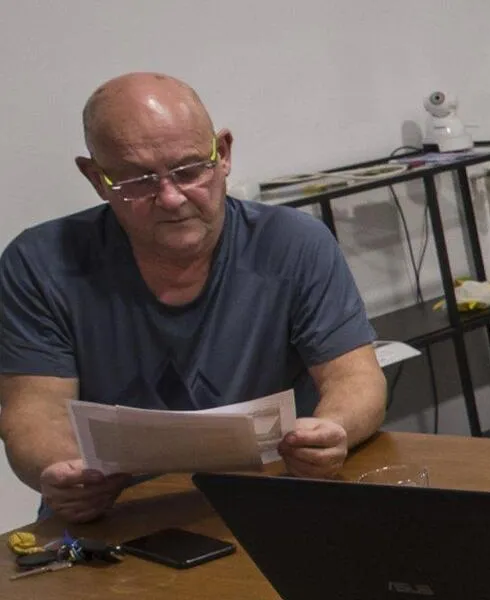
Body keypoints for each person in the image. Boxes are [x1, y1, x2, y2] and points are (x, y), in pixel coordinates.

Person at [0, 73, 387, 522]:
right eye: (138, 181)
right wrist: (63, 470)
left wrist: (332, 429)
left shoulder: (294, 244)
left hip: (267, 499)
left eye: (188, 171)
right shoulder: (41, 263)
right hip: (115, 515)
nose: (170, 197)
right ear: (96, 178)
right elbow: (33, 408)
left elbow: (356, 378)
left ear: (222, 154)